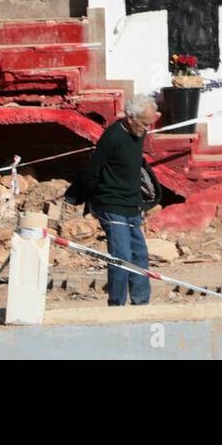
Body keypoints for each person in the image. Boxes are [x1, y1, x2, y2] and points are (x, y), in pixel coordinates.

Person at [75, 93, 160, 306]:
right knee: (121, 256)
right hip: (111, 203)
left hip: (131, 204)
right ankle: (116, 305)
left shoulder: (138, 133)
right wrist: (81, 198)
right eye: (143, 123)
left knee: (140, 254)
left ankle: (141, 302)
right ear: (130, 117)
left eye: (149, 124)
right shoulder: (112, 137)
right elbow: (94, 169)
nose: (146, 129)